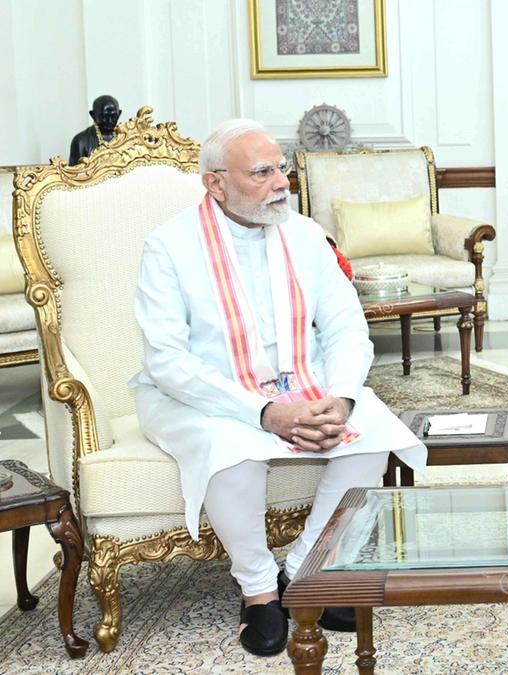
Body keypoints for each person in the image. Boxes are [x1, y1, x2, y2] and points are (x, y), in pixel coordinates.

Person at [130, 119, 426, 656]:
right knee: (230, 450)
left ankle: (301, 572)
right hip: (200, 392)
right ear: (215, 183)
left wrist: (340, 397)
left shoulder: (304, 233)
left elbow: (345, 325)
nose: (281, 183)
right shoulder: (169, 247)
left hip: (303, 379)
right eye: (262, 172)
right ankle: (259, 591)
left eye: (281, 168)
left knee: (372, 433)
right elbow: (167, 361)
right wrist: (264, 412)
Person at [69, 95, 121, 165]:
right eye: (104, 116)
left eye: (113, 116)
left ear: (119, 114)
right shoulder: (81, 141)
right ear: (93, 115)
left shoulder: (126, 136)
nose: (109, 120)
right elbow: (75, 173)